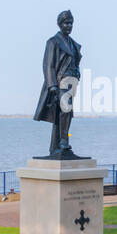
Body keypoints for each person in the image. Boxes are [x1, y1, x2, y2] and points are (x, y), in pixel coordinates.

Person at [33, 10, 84, 158]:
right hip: (60, 82)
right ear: (60, 24)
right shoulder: (53, 42)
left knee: (64, 114)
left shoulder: (74, 45)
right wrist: (52, 86)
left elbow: (75, 62)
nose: (68, 26)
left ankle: (58, 145)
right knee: (64, 112)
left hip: (71, 83)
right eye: (66, 23)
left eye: (70, 23)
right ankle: (62, 142)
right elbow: (48, 65)